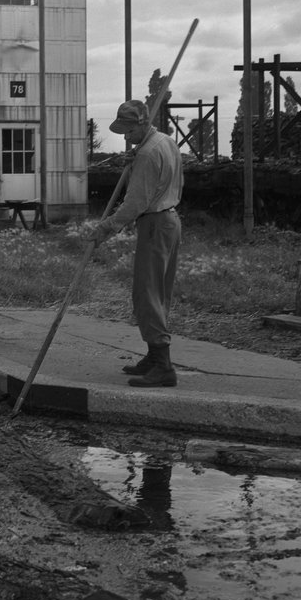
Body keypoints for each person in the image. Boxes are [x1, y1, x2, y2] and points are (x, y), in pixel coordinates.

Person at [90, 100, 184, 387]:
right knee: (158, 292)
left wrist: (106, 228)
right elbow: (163, 182)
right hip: (170, 220)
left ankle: (163, 366)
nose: (126, 137)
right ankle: (154, 356)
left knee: (147, 293)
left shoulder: (146, 153)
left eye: (129, 131)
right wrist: (133, 167)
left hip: (155, 223)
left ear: (143, 124)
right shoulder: (165, 142)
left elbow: (135, 203)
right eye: (123, 132)